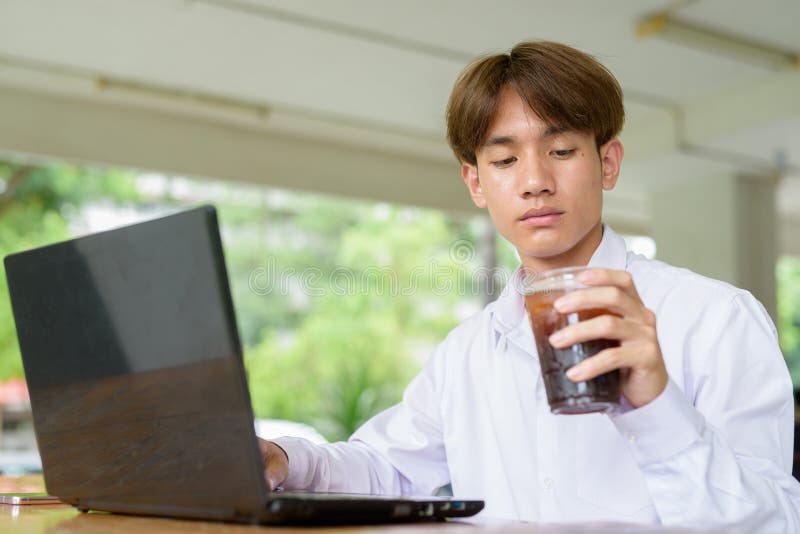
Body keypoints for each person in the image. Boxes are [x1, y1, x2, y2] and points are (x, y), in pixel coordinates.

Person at [259, 41, 800, 529]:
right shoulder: (467, 351)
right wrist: (285, 459)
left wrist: (656, 403)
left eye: (561, 151)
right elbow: (389, 467)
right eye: (504, 159)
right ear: (476, 182)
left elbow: (774, 522)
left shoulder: (715, 317)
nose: (536, 181)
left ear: (607, 163)